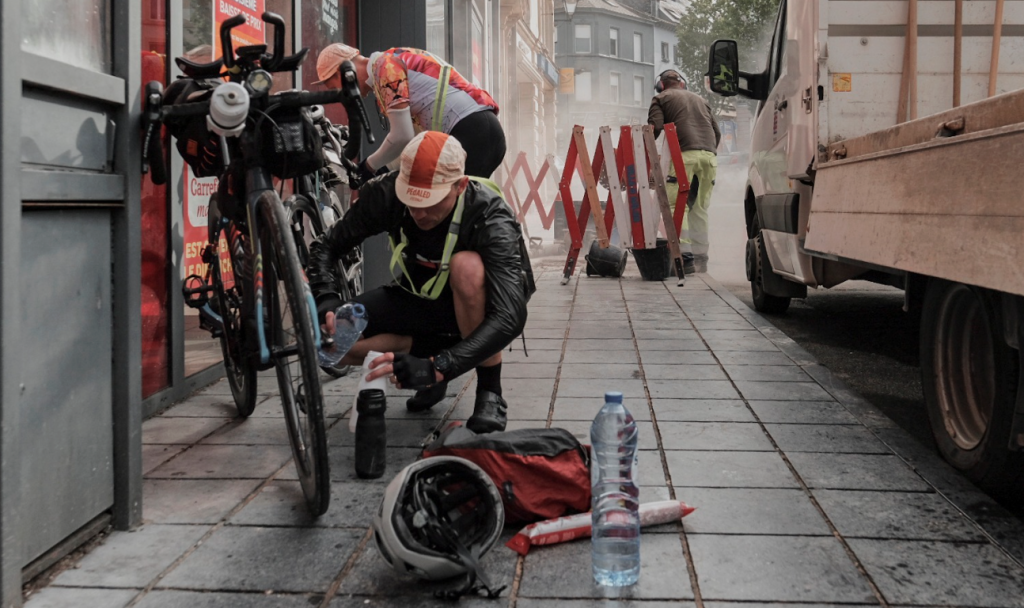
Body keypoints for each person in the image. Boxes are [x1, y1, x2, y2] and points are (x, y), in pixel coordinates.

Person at [307, 131, 533, 433]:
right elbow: (325, 246)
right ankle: (428, 354)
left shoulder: (490, 214)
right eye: (411, 199)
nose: (419, 213)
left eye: (431, 201)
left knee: (466, 267)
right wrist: (327, 301)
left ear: (460, 185)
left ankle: (490, 392)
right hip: (414, 295)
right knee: (333, 344)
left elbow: (510, 314)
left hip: (473, 306)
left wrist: (439, 367)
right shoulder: (386, 194)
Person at [314, 43, 507, 181]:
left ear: (342, 72)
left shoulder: (385, 68)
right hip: (481, 130)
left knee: (444, 214)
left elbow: (402, 136)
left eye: (336, 87)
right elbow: (412, 138)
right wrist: (380, 170)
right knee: (460, 217)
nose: (343, 94)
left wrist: (367, 168)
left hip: (474, 132)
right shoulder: (388, 63)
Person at [648, 70, 721, 274]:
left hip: (684, 156)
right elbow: (717, 132)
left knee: (676, 205)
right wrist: (706, 152)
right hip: (709, 157)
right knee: (699, 208)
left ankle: (685, 259)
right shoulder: (701, 99)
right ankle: (701, 259)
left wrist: (649, 157)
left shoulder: (660, 98)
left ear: (661, 85)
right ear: (682, 84)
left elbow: (655, 129)